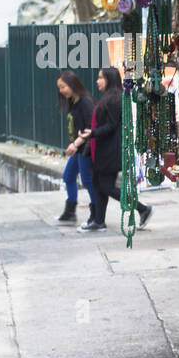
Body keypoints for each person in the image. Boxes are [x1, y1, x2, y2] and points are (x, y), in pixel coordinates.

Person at [78, 66, 151, 233]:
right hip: (103, 151)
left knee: (106, 186)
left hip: (109, 152)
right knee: (98, 184)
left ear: (109, 79)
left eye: (100, 78)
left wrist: (92, 133)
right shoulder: (109, 97)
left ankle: (142, 208)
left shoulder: (114, 99)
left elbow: (111, 126)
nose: (97, 81)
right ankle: (98, 221)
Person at [56, 70, 95, 224]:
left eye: (63, 87)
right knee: (68, 176)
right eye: (59, 88)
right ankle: (70, 211)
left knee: (87, 180)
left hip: (86, 148)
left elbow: (90, 128)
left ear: (73, 84)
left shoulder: (85, 102)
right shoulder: (74, 101)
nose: (61, 91)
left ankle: (96, 214)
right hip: (78, 148)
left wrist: (75, 144)